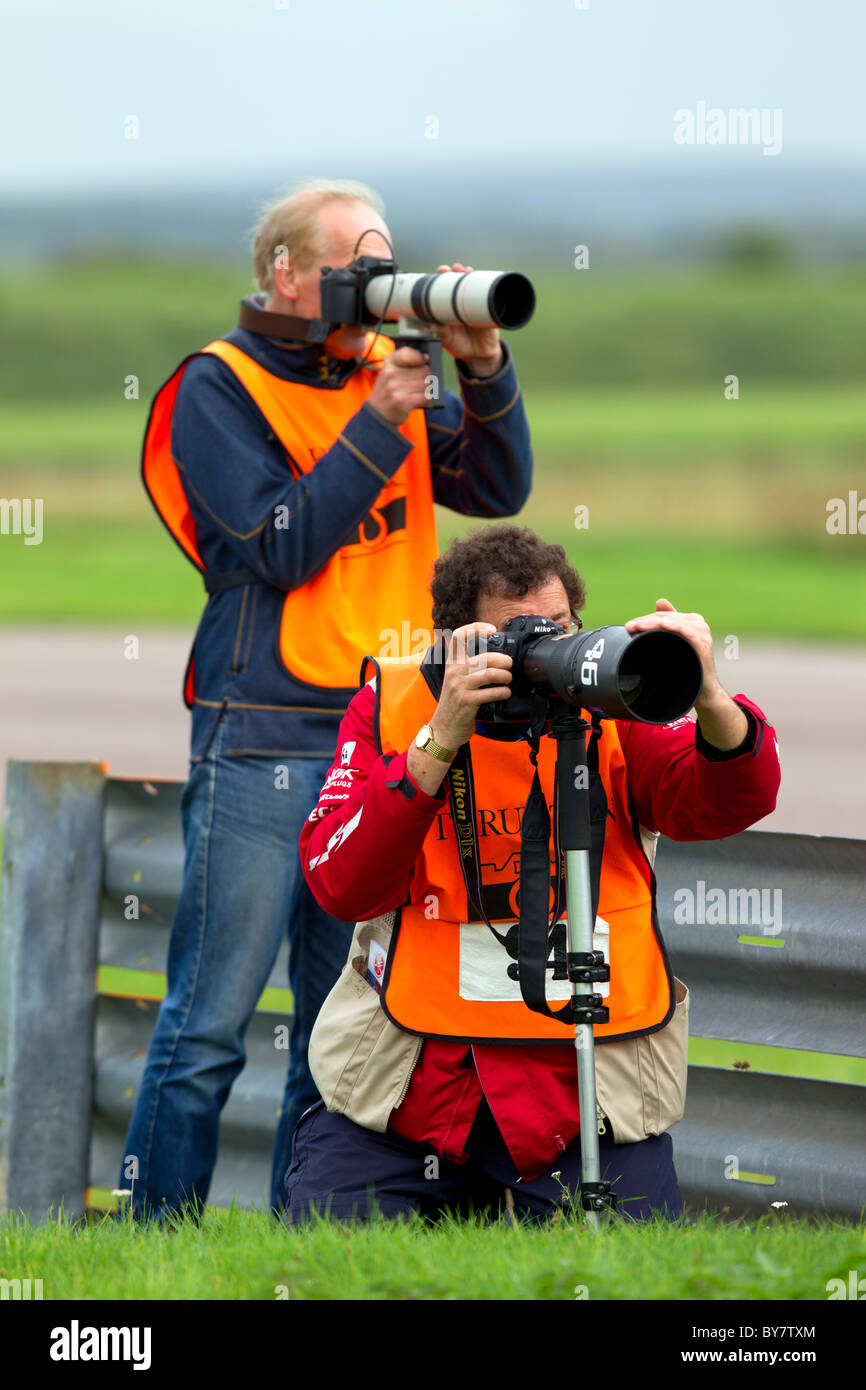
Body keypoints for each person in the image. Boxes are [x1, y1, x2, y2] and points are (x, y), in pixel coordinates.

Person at [120, 179, 533, 1221]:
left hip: (377, 729)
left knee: (331, 1025)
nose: (372, 281)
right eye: (352, 261)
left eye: (382, 258)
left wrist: (482, 370)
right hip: (258, 731)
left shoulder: (381, 374)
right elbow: (269, 543)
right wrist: (379, 420)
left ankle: (298, 1246)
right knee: (209, 1023)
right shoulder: (216, 387)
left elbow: (496, 487)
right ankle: (155, 1244)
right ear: (285, 273)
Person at [289, 524, 781, 1224]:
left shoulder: (613, 708)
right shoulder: (396, 705)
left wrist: (707, 694)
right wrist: (442, 736)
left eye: (555, 631)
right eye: (512, 639)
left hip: (586, 1091)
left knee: (632, 1273)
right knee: (325, 1260)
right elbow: (341, 880)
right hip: (414, 1089)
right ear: (454, 643)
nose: (539, 655)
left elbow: (732, 798)